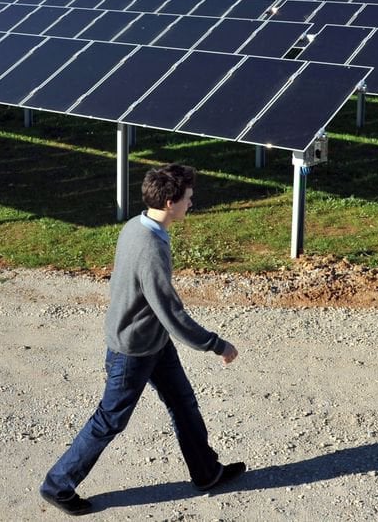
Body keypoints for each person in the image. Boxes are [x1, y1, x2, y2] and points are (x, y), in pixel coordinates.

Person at [39, 163, 244, 516]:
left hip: (151, 340)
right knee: (110, 419)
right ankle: (58, 485)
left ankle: (207, 473)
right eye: (188, 198)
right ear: (169, 202)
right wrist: (216, 344)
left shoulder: (136, 225)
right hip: (133, 350)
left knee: (183, 403)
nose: (191, 203)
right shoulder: (150, 245)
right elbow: (172, 313)